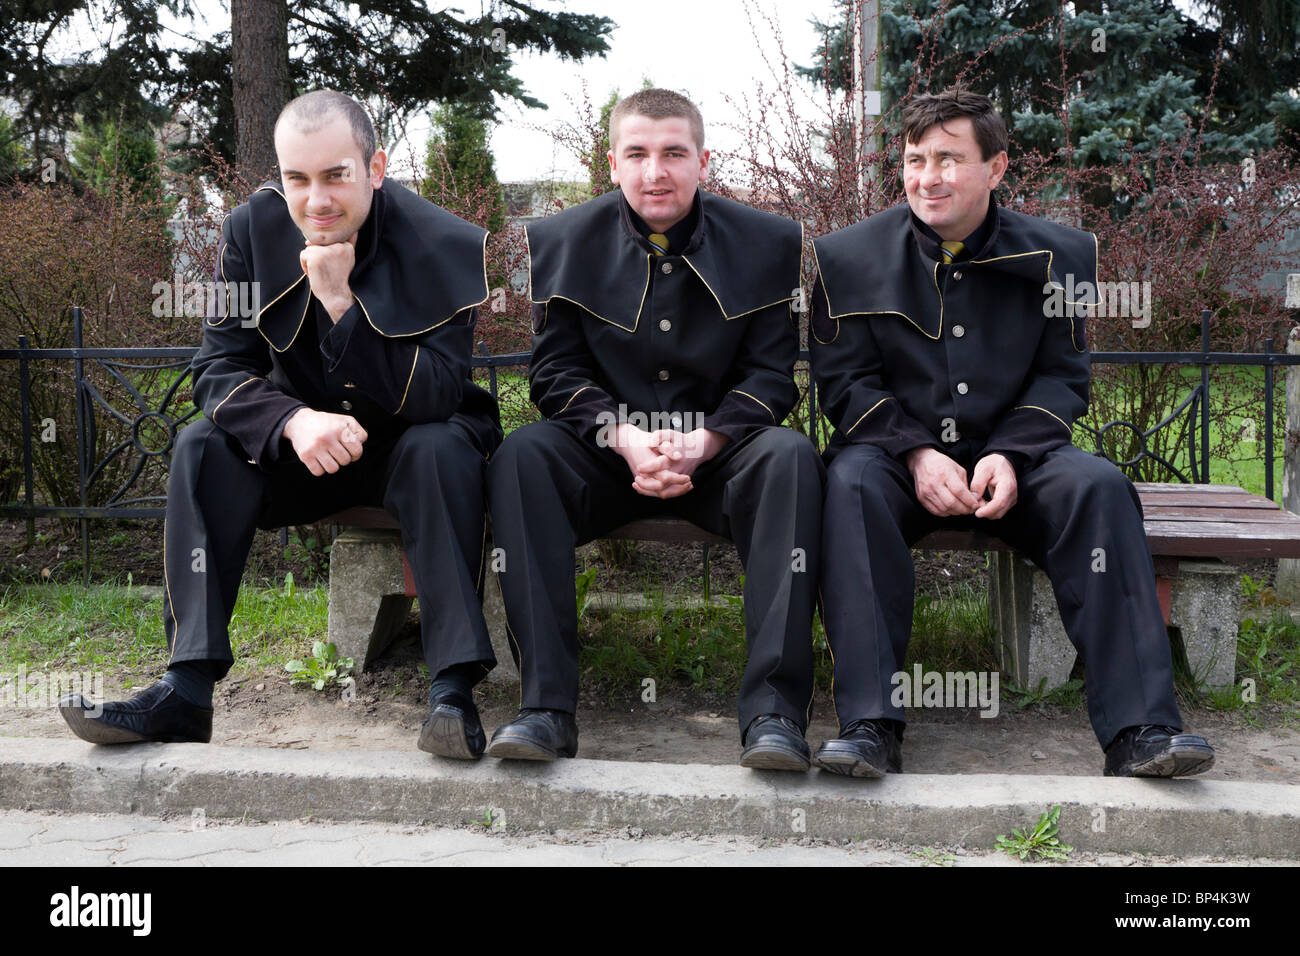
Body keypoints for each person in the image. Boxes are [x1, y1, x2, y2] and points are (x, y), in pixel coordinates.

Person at [59, 90, 503, 759]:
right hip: (302, 452)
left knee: (440, 448)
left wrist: (339, 304)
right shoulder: (249, 231)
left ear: (374, 168)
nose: (315, 199)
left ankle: (451, 691)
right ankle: (185, 686)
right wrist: (292, 421)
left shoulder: (442, 243)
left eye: (336, 176)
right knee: (203, 445)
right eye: (298, 178)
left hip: (408, 446)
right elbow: (216, 367)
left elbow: (440, 391)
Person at [810, 86, 1214, 778]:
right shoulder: (848, 258)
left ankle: (1142, 731)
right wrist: (915, 452)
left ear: (996, 169)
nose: (927, 177)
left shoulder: (1062, 255)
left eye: (948, 158)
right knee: (847, 486)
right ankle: (871, 726)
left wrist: (1008, 452)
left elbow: (1063, 377)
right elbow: (845, 383)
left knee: (1099, 487)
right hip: (896, 460)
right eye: (914, 159)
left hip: (1019, 461)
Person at [486, 88, 824, 770]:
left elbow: (770, 376)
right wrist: (624, 436)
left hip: (720, 458)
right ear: (613, 163)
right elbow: (554, 376)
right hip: (609, 457)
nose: (655, 172)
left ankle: (774, 715)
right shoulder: (563, 242)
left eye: (673, 153)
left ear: (704, 160)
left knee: (791, 458)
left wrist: (707, 441)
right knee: (523, 457)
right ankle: (545, 708)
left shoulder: (765, 242)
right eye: (637, 154)